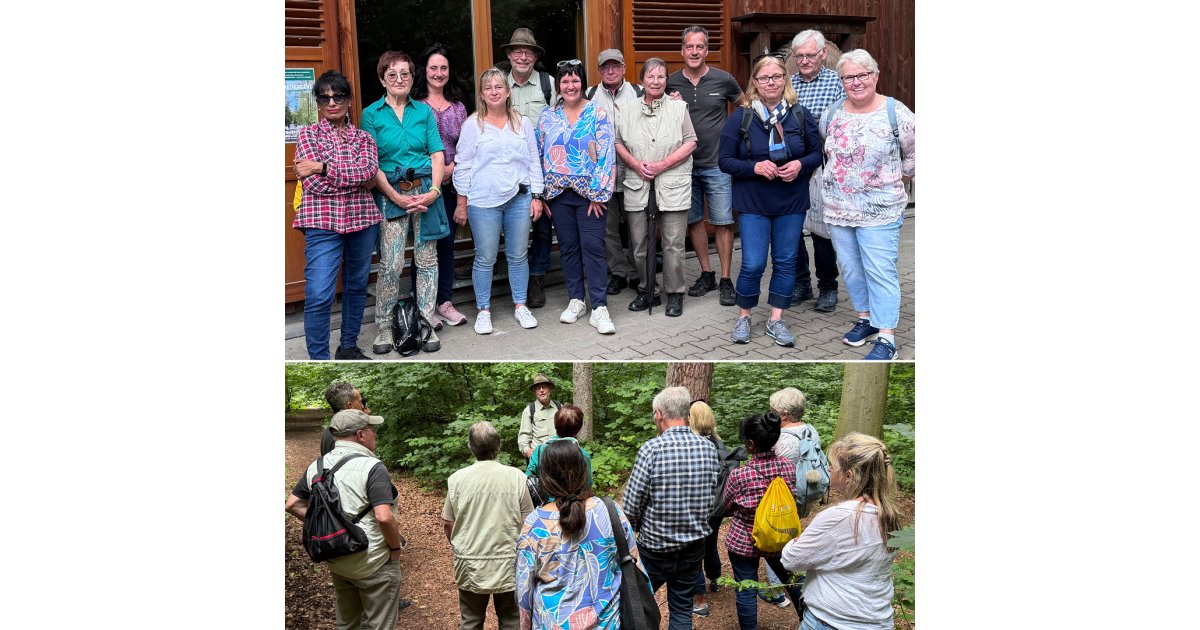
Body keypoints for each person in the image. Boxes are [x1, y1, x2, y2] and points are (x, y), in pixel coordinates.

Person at [718, 54, 821, 347]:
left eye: (777, 76)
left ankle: (776, 319)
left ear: (784, 80)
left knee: (786, 261)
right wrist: (754, 167)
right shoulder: (741, 117)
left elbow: (817, 153)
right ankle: (744, 316)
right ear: (755, 83)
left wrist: (801, 165)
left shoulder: (800, 115)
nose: (771, 82)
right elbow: (724, 160)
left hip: (791, 201)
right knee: (752, 263)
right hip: (754, 202)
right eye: (764, 78)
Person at [821, 49, 915, 360]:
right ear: (842, 81)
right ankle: (866, 319)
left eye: (863, 75)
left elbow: (915, 154)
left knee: (880, 270)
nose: (857, 82)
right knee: (850, 269)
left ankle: (886, 338)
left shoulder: (895, 112)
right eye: (849, 77)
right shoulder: (833, 112)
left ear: (875, 76)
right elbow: (828, 151)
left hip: (880, 211)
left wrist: (899, 179)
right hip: (838, 208)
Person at [285, 409, 407, 629]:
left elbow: (292, 504)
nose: (375, 435)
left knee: (347, 624)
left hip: (338, 558)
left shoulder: (317, 466)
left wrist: (330, 528)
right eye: (372, 430)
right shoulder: (373, 467)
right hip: (373, 561)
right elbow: (384, 517)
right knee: (380, 624)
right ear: (361, 435)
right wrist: (395, 549)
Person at [362, 50, 449, 355]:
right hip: (390, 195)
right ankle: (385, 325)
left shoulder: (423, 112)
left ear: (413, 78)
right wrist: (396, 196)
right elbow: (372, 164)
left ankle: (425, 321)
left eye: (405, 74)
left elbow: (437, 153)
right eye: (392, 75)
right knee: (391, 263)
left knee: (427, 261)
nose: (399, 80)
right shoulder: (371, 114)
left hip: (426, 192)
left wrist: (435, 190)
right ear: (382, 79)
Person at [292, 70, 380, 360]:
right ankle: (320, 359)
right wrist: (351, 180)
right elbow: (312, 185)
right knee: (319, 294)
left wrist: (323, 167)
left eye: (338, 96)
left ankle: (349, 347)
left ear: (349, 100)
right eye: (324, 97)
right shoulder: (307, 134)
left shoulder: (364, 138)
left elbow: (368, 172)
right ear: (318, 102)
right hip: (322, 223)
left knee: (356, 287)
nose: (332, 102)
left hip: (362, 221)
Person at [516, 440, 645, 629]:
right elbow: (636, 566)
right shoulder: (610, 511)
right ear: (584, 472)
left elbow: (524, 591)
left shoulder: (535, 524)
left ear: (545, 478)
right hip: (608, 624)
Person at [452, 67, 544, 334]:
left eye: (499, 87)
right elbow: (463, 165)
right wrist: (462, 201)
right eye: (488, 88)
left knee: (518, 255)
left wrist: (537, 195)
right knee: (485, 257)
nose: (494, 92)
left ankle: (520, 305)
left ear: (507, 92)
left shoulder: (522, 122)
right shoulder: (472, 125)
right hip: (483, 200)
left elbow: (533, 162)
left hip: (519, 198)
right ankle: (483, 310)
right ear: (481, 94)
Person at [781, 432, 903, 630]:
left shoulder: (839, 517)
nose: (828, 468)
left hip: (831, 621)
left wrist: (795, 541)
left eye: (833, 465)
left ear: (849, 475)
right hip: (877, 621)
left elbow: (791, 559)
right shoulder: (889, 514)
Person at [622, 386, 721, 630]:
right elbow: (711, 497)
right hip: (692, 547)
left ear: (659, 414)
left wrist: (633, 531)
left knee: (638, 607)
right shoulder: (709, 448)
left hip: (654, 550)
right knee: (681, 610)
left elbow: (632, 506)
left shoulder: (651, 449)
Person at [535, 60, 618, 335]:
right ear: (558, 85)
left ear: (582, 83)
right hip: (558, 196)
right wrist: (541, 194)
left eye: (575, 80)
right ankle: (576, 300)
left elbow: (607, 155)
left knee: (593, 248)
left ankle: (600, 307)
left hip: (590, 197)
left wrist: (599, 194)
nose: (570, 85)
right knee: (568, 248)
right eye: (565, 81)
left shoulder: (597, 113)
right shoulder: (547, 117)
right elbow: (538, 155)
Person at [614, 56, 697, 317]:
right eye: (650, 76)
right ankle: (647, 289)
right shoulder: (627, 110)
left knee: (673, 243)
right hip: (637, 184)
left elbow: (691, 141)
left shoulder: (678, 107)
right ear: (641, 81)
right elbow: (617, 142)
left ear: (666, 80)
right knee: (639, 244)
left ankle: (675, 294)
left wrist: (663, 164)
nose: (655, 80)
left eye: (661, 76)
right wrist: (635, 164)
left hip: (672, 184)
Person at [666, 25, 743, 306]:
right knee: (694, 220)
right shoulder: (670, 82)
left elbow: (745, 108)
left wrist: (737, 144)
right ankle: (706, 274)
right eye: (689, 47)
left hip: (718, 164)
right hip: (684, 166)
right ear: (682, 51)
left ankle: (725, 279)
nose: (694, 51)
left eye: (700, 47)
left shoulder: (724, 80)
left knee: (723, 222)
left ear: (707, 50)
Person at [443, 421, 534, 630]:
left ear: (470, 447)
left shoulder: (457, 479)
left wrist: (459, 547)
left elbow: (449, 523)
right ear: (498, 446)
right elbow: (527, 522)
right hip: (509, 561)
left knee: (471, 621)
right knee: (512, 621)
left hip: (470, 563)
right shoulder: (517, 477)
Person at [722, 412, 803, 629]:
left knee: (746, 590)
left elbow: (727, 505)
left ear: (750, 444)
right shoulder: (787, 466)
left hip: (745, 540)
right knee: (792, 581)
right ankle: (809, 620)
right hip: (780, 535)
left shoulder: (740, 475)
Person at [413, 43, 471, 330]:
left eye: (443, 68)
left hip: (451, 184)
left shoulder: (459, 106)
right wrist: (437, 171)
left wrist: (452, 169)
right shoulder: (414, 106)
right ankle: (423, 303)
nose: (438, 73)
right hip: (422, 184)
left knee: (447, 244)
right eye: (433, 67)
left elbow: (468, 147)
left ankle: (444, 302)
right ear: (424, 70)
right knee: (425, 244)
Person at [789, 30, 846, 313]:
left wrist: (803, 124)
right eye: (799, 56)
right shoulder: (788, 84)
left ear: (823, 54)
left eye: (810, 55)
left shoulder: (838, 83)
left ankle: (828, 287)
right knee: (793, 229)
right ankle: (801, 283)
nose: (804, 60)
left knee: (822, 232)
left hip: (823, 167)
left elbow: (837, 123)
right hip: (792, 166)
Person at [501, 28, 557, 309]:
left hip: (543, 170)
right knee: (511, 226)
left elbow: (562, 123)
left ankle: (536, 277)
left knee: (543, 227)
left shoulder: (549, 84)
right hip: (508, 171)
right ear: (509, 55)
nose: (523, 56)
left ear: (536, 56)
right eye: (517, 51)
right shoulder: (499, 84)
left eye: (528, 51)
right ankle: (513, 279)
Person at [587, 48, 642, 296]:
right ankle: (618, 272)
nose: (611, 71)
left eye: (615, 66)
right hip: (602, 175)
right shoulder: (589, 95)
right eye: (606, 67)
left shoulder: (639, 92)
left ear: (624, 68)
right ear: (599, 70)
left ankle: (637, 272)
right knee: (608, 228)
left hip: (633, 171)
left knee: (636, 227)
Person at [687, 400, 727, 618]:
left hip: (700, 506)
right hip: (719, 507)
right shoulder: (720, 444)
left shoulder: (692, 446)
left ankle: (699, 600)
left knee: (695, 549)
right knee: (711, 542)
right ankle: (715, 579)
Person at [525, 404, 594, 488]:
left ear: (555, 425)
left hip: (546, 499)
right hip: (575, 500)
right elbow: (587, 484)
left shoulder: (539, 451)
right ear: (578, 429)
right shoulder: (583, 454)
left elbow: (528, 479)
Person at [320, 381, 371, 456]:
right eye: (360, 402)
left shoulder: (330, 431)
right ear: (350, 406)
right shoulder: (348, 435)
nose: (363, 406)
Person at [518, 373, 560, 458]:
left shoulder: (559, 407)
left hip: (560, 455)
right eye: (538, 388)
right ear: (535, 392)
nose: (541, 390)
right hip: (540, 457)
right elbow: (524, 435)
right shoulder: (529, 410)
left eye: (544, 387)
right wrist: (527, 450)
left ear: (550, 389)